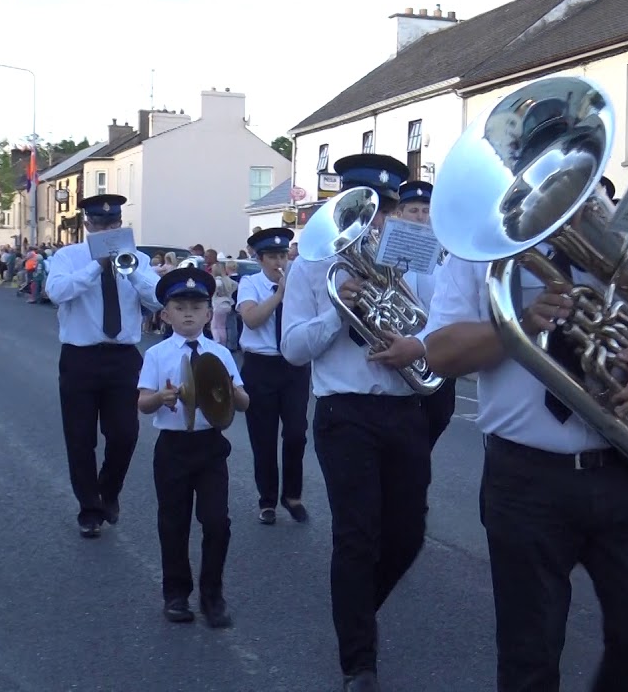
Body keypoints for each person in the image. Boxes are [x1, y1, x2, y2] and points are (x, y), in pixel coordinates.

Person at [424, 207, 628, 692]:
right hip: (524, 478)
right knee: (530, 656)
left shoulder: (617, 234)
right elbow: (439, 351)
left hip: (617, 469)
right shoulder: (481, 245)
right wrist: (514, 326)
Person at [281, 154, 434, 692]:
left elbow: (439, 329)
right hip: (344, 412)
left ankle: (355, 614)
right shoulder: (310, 266)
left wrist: (417, 338)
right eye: (363, 211)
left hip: (405, 407)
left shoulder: (419, 262)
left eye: (385, 210)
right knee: (356, 535)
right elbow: (293, 349)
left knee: (409, 533)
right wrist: (335, 310)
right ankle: (359, 663)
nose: (375, 222)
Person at [136, 266, 250, 627]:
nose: (188, 313)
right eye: (179, 306)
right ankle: (176, 594)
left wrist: (232, 392)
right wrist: (162, 396)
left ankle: (212, 595)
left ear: (208, 313)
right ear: (165, 314)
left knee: (217, 522)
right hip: (172, 448)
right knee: (174, 523)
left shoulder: (220, 353)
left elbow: (244, 402)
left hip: (210, 446)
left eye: (197, 306)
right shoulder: (157, 354)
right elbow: (143, 403)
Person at [45, 194, 162, 538]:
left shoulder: (136, 259)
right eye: (101, 225)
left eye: (114, 225)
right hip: (80, 357)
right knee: (80, 438)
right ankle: (89, 509)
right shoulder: (69, 257)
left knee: (125, 434)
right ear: (88, 226)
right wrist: (96, 266)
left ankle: (108, 491)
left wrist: (133, 274)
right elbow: (57, 291)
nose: (108, 230)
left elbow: (157, 299)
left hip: (123, 357)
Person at [238, 227, 312, 525]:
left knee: (296, 433)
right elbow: (252, 320)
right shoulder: (250, 283)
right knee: (264, 439)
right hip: (260, 366)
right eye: (272, 256)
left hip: (293, 366)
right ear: (260, 259)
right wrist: (279, 295)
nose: (280, 262)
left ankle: (292, 495)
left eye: (283, 255)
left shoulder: (299, 284)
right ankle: (267, 499)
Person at [391, 180, 457, 451]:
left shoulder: (445, 251)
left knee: (440, 414)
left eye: (425, 211)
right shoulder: (387, 250)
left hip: (436, 346)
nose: (420, 217)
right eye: (414, 211)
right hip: (400, 345)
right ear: (400, 214)